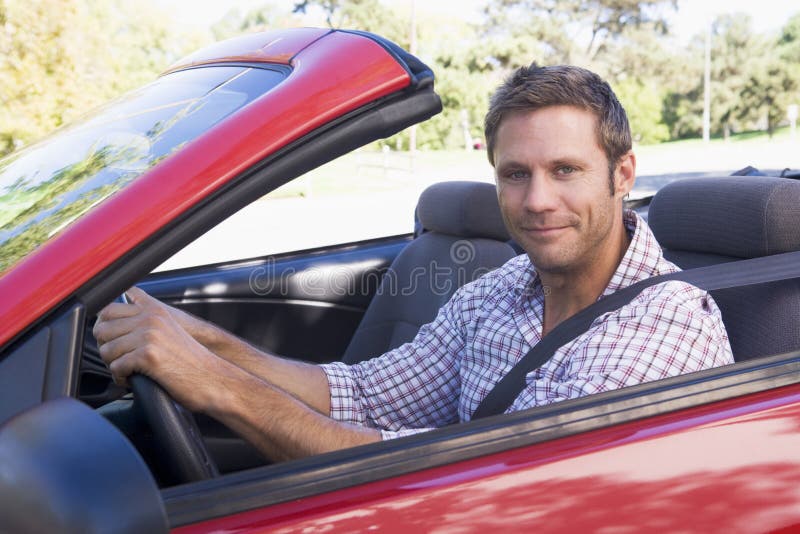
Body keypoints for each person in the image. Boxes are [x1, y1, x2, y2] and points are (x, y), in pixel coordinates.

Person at [94, 64, 734, 462]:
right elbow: (365, 395)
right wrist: (197, 338)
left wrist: (218, 385)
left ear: (621, 174)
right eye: (515, 174)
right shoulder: (507, 288)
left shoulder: (660, 331)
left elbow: (471, 477)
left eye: (565, 170)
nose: (537, 200)